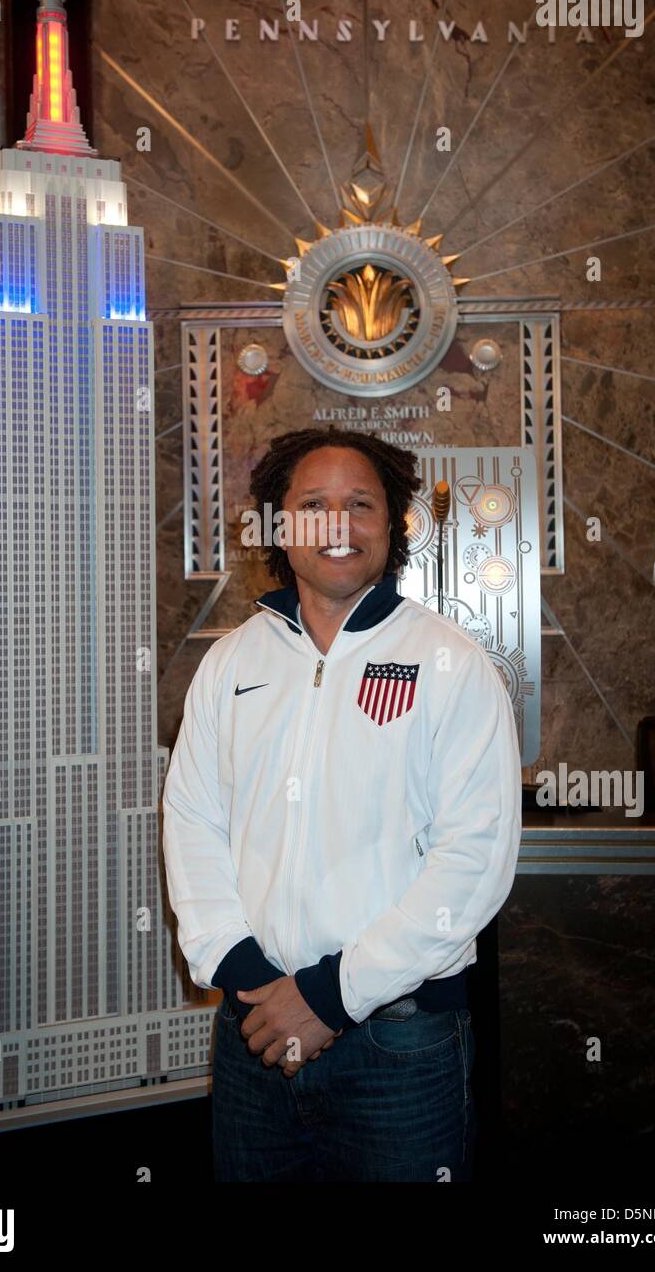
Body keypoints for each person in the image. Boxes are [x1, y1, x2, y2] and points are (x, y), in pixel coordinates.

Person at [162, 427, 522, 1181]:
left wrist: (328, 997)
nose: (337, 524)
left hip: (400, 1048)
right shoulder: (230, 663)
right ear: (279, 524)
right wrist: (250, 978)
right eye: (312, 503)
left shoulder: (450, 665)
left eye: (359, 504)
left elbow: (473, 862)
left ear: (391, 527)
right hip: (254, 1033)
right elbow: (194, 824)